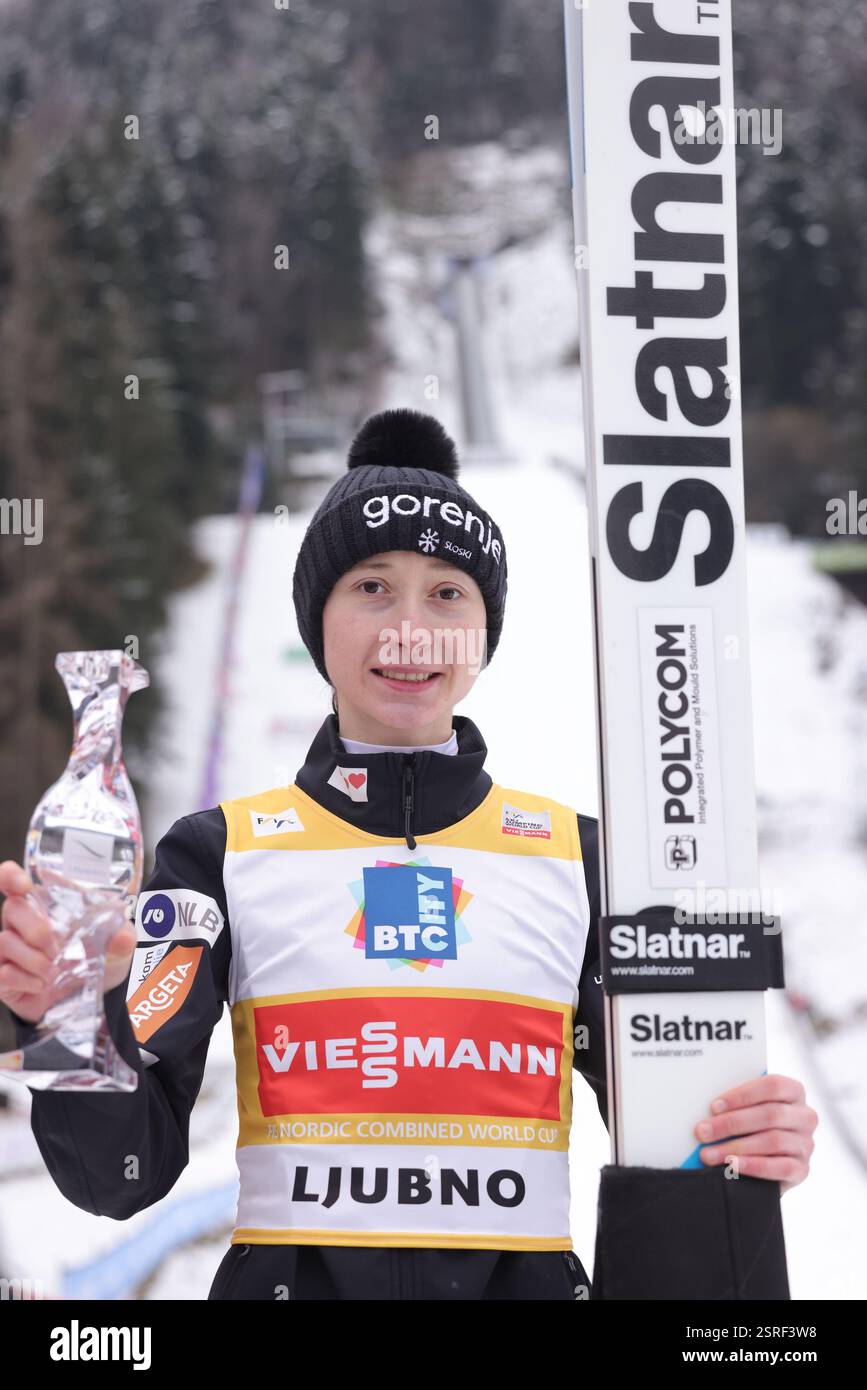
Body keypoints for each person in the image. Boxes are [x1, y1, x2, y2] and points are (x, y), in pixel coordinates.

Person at [0, 408, 817, 1301]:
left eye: (446, 594)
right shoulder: (219, 855)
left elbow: (678, 1127)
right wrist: (69, 1025)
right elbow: (117, 1178)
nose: (409, 629)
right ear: (319, 618)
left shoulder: (582, 862)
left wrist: (749, 1138)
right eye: (372, 587)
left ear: (482, 634)